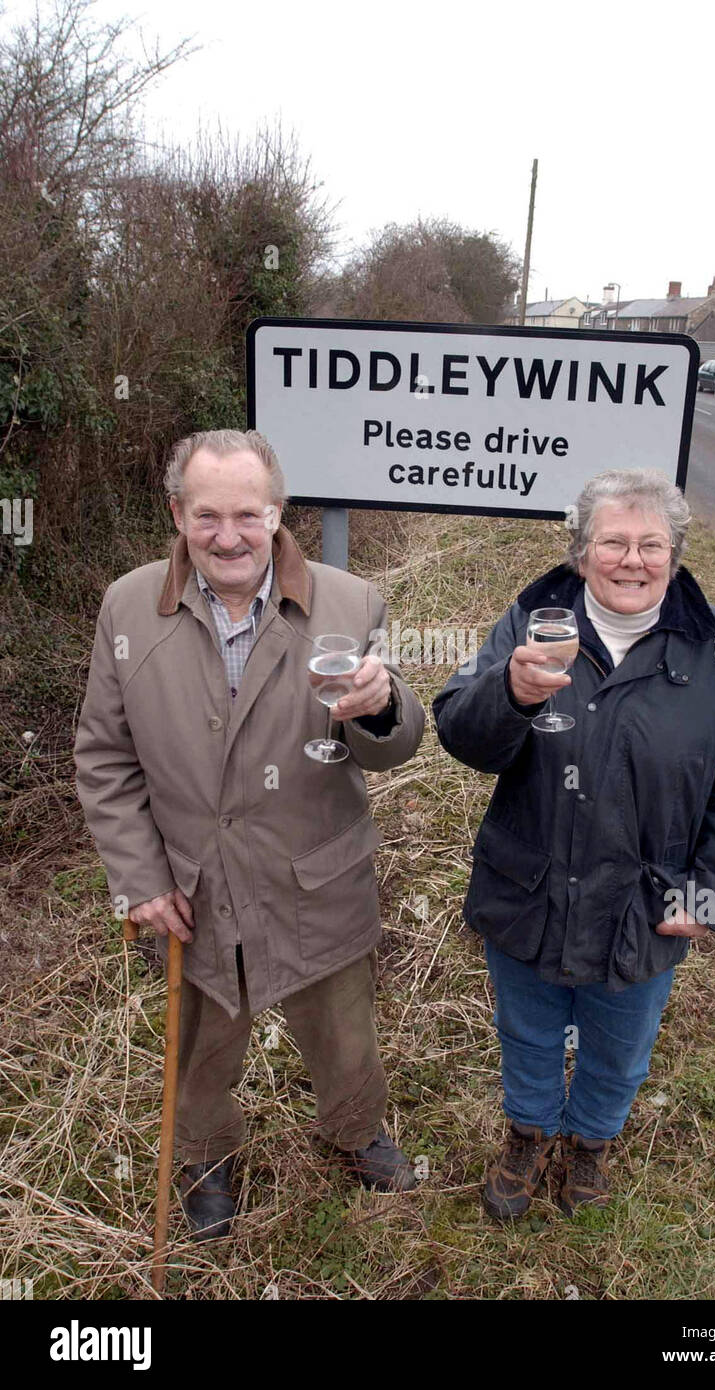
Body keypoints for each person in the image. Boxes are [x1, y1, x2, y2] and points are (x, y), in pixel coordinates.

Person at [74, 428, 425, 1241]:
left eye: (245, 514)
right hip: (189, 886)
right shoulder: (128, 605)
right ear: (177, 513)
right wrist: (140, 877)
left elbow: (397, 745)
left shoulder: (351, 602)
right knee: (198, 1044)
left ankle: (353, 1131)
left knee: (343, 1035)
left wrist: (379, 706)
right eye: (206, 516)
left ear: (276, 511)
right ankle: (203, 1156)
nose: (226, 536)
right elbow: (104, 755)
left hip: (315, 877)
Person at [433, 468, 715, 1222]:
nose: (632, 560)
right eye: (613, 542)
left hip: (644, 904)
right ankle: (526, 1133)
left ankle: (588, 1145)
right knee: (526, 1031)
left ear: (675, 556)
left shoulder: (713, 649)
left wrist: (713, 888)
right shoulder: (531, 622)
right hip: (527, 887)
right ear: (580, 552)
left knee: (619, 1045)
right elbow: (462, 734)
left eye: (650, 544)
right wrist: (512, 695)